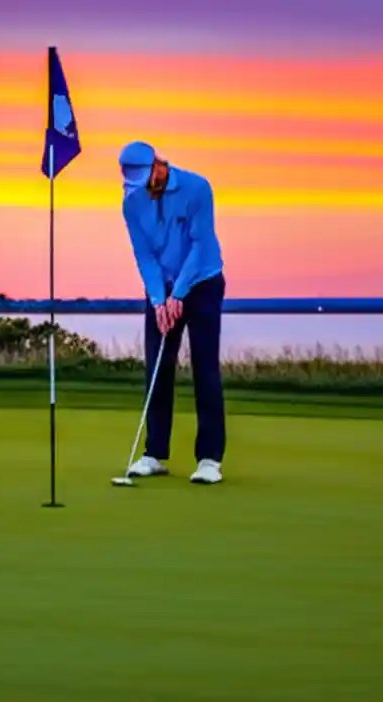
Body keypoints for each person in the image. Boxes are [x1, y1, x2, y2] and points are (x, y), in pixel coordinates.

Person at [118, 140, 226, 484]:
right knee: (157, 369)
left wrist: (179, 293)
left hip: (204, 282)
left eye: (144, 179)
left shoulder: (197, 187)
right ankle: (153, 454)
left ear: (157, 166)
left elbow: (201, 243)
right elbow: (144, 255)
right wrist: (158, 299)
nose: (142, 189)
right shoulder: (131, 202)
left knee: (204, 369)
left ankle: (209, 459)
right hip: (162, 288)